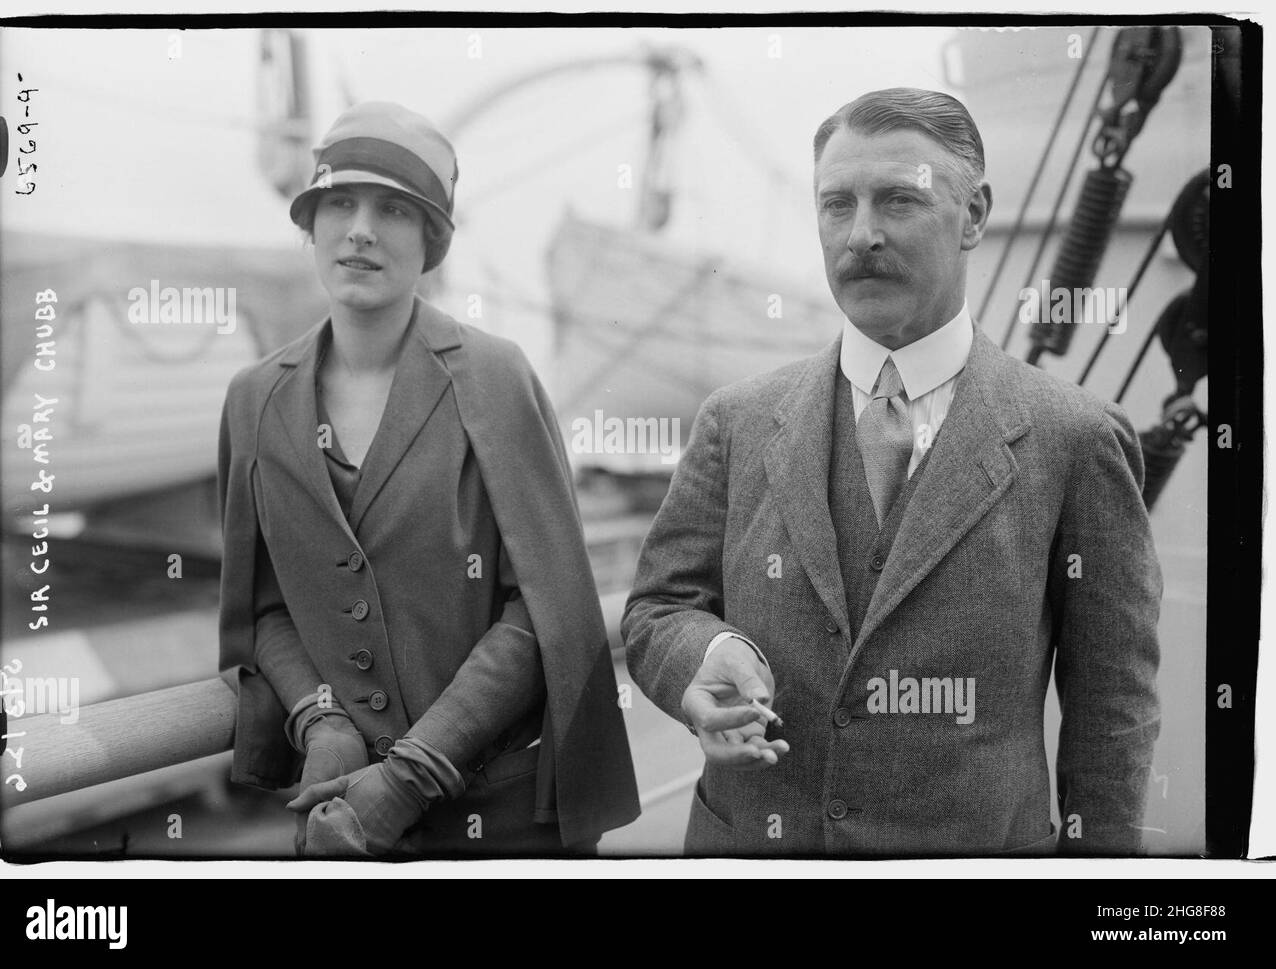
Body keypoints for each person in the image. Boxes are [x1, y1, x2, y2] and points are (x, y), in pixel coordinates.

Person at [622, 88, 1162, 857]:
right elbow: (657, 607)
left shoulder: (1074, 438)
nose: (861, 234)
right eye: (836, 204)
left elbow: (1113, 710)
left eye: (899, 200)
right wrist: (707, 656)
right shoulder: (735, 421)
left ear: (973, 214)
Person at [217, 101, 639, 857]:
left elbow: (541, 603)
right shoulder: (255, 399)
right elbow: (262, 605)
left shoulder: (495, 377)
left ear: (432, 241)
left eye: (395, 210)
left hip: (501, 820)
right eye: (339, 202)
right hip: (338, 815)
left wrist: (411, 773)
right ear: (309, 226)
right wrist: (324, 721)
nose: (361, 229)